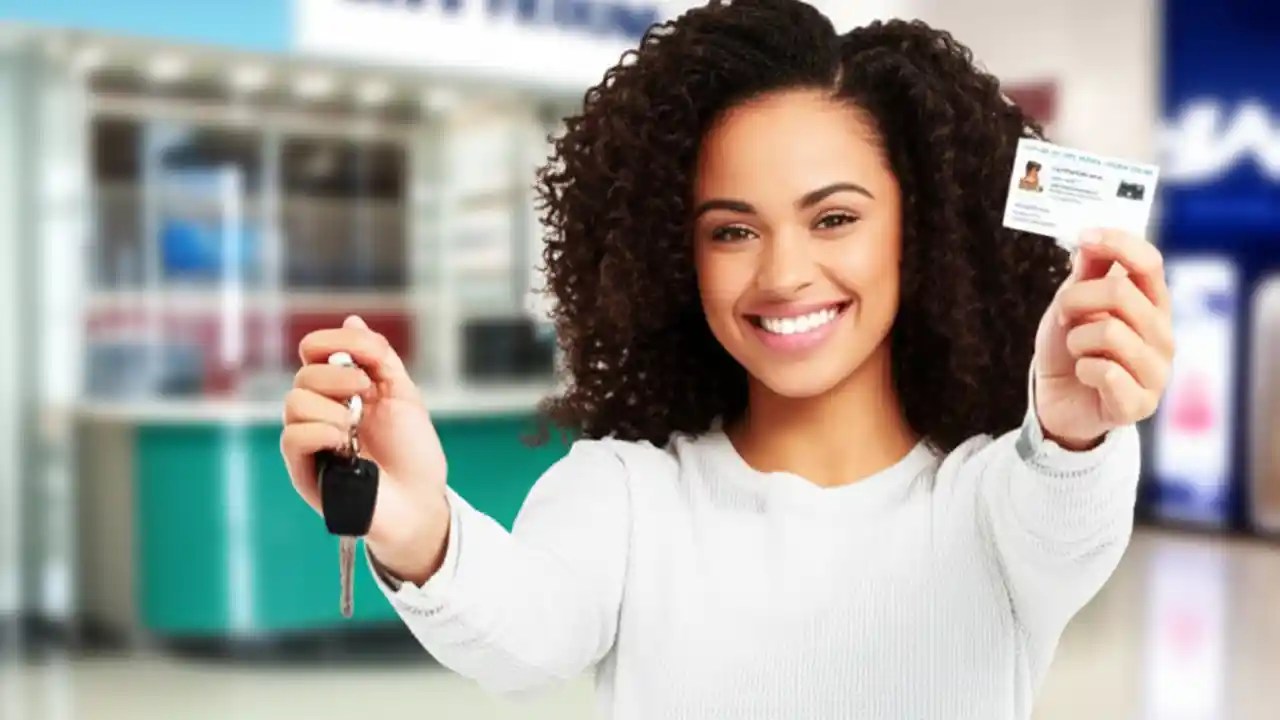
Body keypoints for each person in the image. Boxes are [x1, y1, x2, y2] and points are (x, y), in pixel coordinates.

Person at [279, 1, 1174, 718]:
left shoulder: (991, 503)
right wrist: (419, 527)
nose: (783, 275)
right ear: (678, 256)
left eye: (834, 218)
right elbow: (525, 636)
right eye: (732, 230)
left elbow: (1069, 526)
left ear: (921, 230)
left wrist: (1072, 430)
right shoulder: (628, 495)